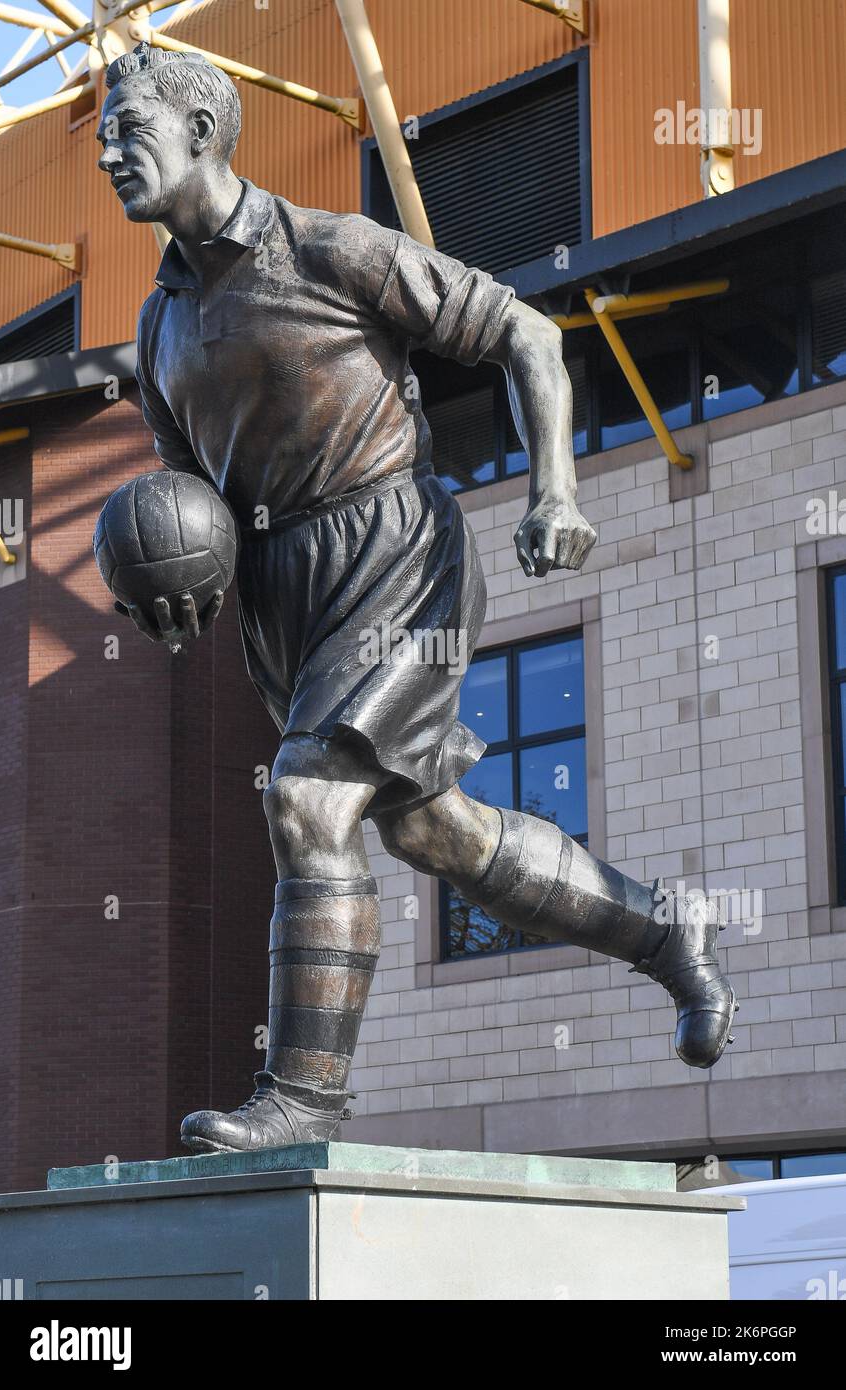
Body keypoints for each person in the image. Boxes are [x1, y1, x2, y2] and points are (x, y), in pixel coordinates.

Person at [97, 42, 736, 1154]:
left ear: (202, 133)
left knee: (306, 799)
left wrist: (554, 491)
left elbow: (523, 332)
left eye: (130, 130)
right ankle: (662, 930)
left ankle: (301, 1097)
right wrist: (163, 586)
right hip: (283, 590)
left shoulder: (329, 247)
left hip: (398, 551)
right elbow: (184, 503)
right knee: (433, 833)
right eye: (104, 137)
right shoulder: (159, 325)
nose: (109, 153)